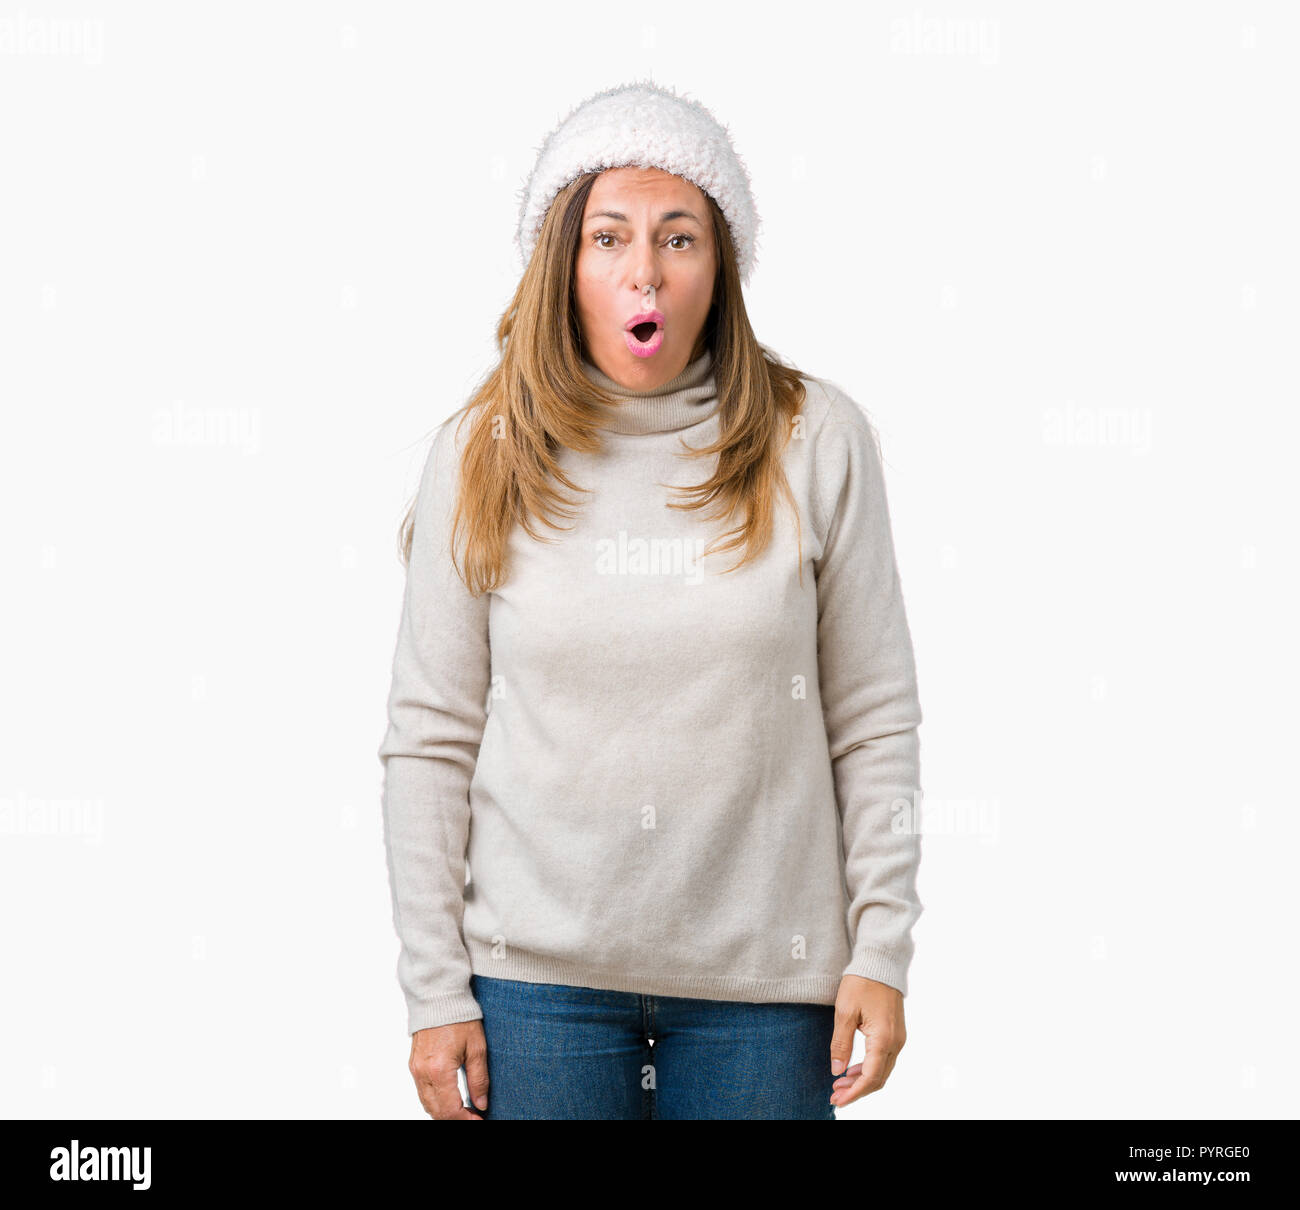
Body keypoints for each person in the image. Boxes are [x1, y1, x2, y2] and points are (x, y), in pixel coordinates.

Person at [378, 80, 924, 1120]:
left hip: (767, 993)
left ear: (720, 267)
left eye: (679, 239)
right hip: (534, 993)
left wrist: (882, 947)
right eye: (608, 237)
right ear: (563, 268)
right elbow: (430, 736)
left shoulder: (818, 440)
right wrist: (432, 988)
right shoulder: (483, 451)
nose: (645, 271)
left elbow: (875, 717)